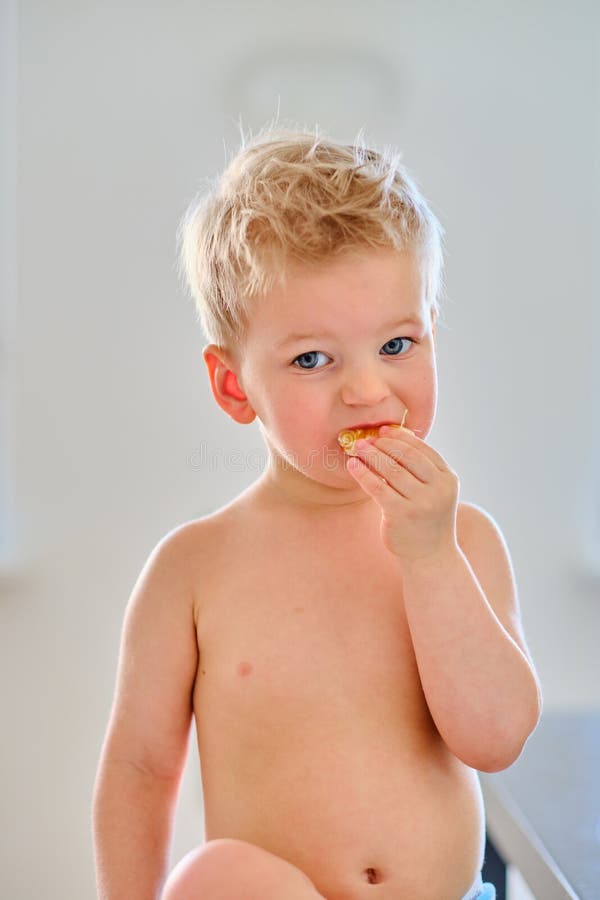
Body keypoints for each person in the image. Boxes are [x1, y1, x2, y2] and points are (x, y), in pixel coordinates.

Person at [92, 123, 542, 900]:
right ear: (235, 387)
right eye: (312, 359)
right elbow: (137, 773)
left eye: (398, 345)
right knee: (217, 879)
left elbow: (496, 740)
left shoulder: (461, 539)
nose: (368, 391)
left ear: (432, 330)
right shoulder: (193, 571)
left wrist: (429, 556)